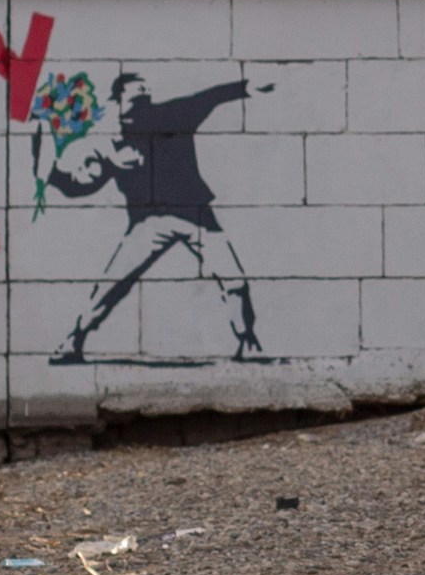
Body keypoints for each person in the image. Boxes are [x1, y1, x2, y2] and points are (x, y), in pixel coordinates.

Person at [40, 71, 272, 363]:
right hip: (148, 224)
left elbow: (209, 97)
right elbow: (82, 186)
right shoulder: (114, 148)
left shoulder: (173, 115)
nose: (142, 96)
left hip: (195, 215)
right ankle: (74, 341)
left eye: (145, 93)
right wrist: (52, 175)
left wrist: (246, 87)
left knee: (233, 278)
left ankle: (248, 342)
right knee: (111, 285)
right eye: (135, 94)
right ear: (118, 101)